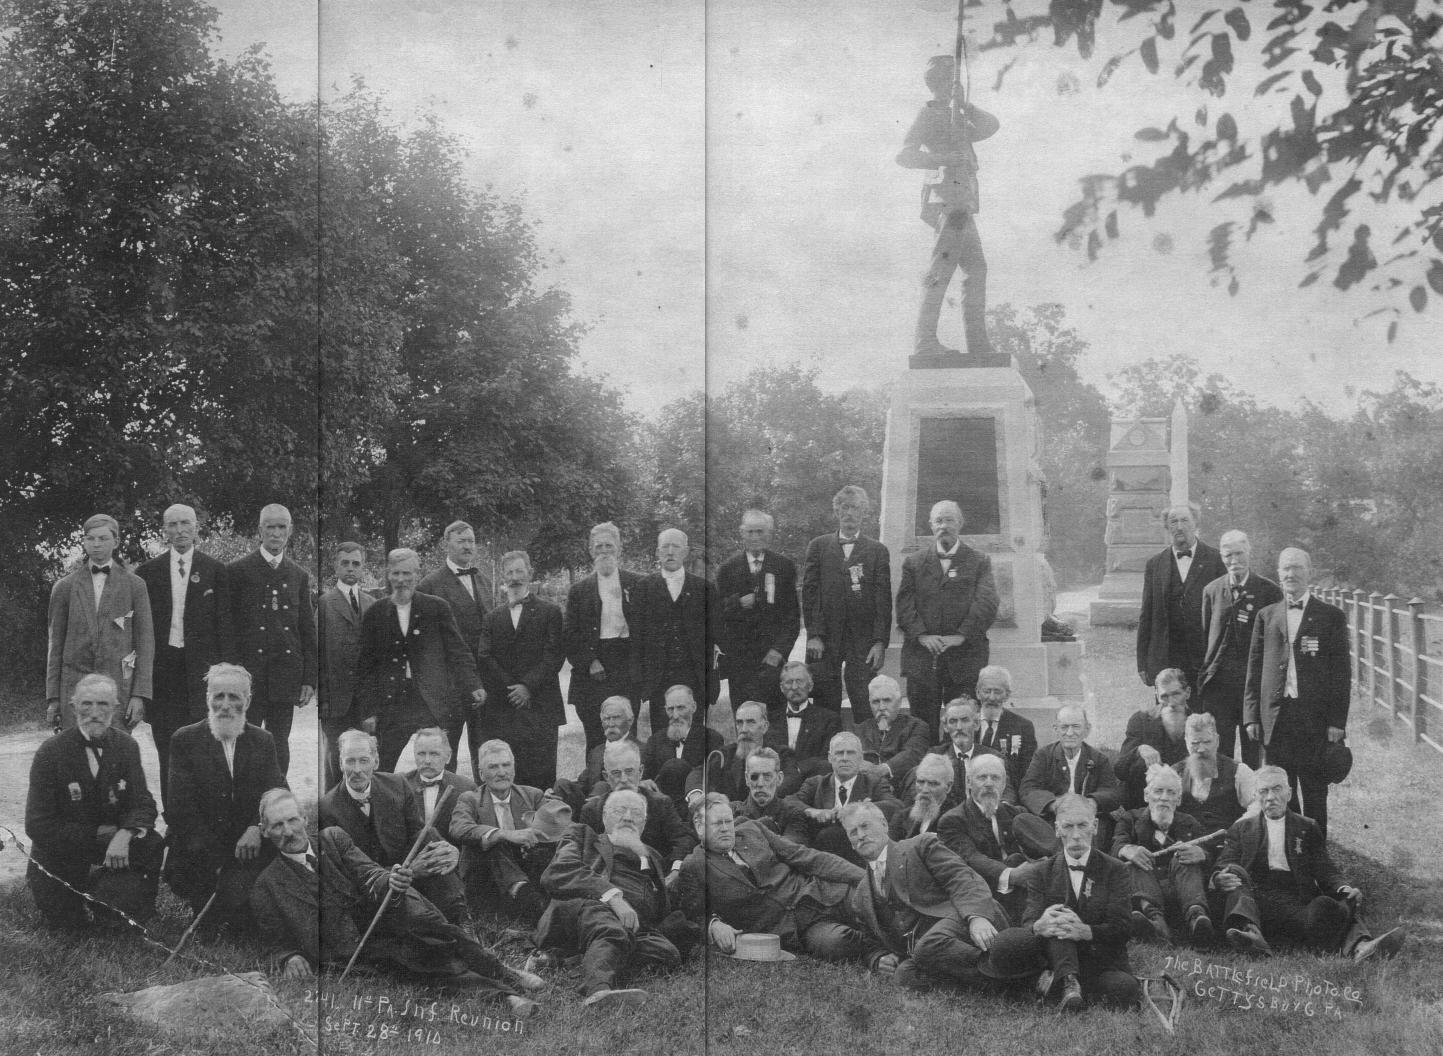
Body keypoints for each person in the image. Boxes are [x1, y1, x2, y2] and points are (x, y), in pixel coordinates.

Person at [249, 789, 540, 1015]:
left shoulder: (333, 839)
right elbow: (272, 942)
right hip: (353, 951)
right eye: (277, 826)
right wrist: (288, 956)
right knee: (418, 964)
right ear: (264, 831)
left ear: (304, 818)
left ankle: (504, 971)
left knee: (432, 927)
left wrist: (390, 881)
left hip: (382, 914)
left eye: (292, 820)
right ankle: (505, 996)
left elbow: (369, 872)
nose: (288, 832)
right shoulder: (266, 885)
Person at [1212, 767, 1403, 961]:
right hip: (1257, 900)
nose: (1270, 797)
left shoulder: (1307, 827)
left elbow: (1325, 870)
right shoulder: (1241, 828)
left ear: (1289, 793)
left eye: (1277, 789)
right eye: (1263, 791)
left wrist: (1344, 888)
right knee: (1234, 873)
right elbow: (1225, 862)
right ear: (1255, 796)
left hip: (1297, 898)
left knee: (1341, 899)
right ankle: (1252, 935)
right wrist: (1219, 877)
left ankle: (1362, 946)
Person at [536, 789, 697, 1008]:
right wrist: (613, 897)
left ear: (644, 822)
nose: (628, 817)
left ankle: (562, 962)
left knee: (667, 953)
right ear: (604, 816)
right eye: (620, 810)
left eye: (637, 813)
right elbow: (558, 871)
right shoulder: (582, 835)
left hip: (632, 927)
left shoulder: (653, 857)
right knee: (610, 927)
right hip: (586, 907)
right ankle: (597, 990)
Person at [25, 673, 162, 929]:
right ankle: (73, 899)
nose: (95, 712)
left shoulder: (126, 746)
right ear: (73, 706)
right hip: (63, 854)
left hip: (110, 847)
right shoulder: (51, 751)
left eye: (103, 704)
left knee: (151, 842)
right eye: (87, 704)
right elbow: (37, 825)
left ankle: (118, 905)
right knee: (67, 925)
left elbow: (144, 803)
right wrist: (97, 834)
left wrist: (125, 834)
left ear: (116, 708)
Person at [165, 663, 286, 935]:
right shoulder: (184, 739)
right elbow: (180, 808)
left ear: (249, 700)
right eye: (218, 696)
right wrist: (219, 858)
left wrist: (257, 827)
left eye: (234, 697)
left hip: (249, 847)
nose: (225, 704)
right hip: (199, 850)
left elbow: (277, 792)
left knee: (248, 922)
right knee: (217, 918)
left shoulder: (263, 740)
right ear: (207, 697)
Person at [991, 794, 1141, 1012]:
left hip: (1097, 958)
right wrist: (1040, 925)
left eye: (1083, 826)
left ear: (1095, 826)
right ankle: (1068, 983)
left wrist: (1085, 931)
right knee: (1049, 921)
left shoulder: (1116, 870)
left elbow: (1123, 928)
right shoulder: (1041, 872)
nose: (1076, 835)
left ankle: (1057, 985)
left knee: (1125, 988)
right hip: (1055, 954)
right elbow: (1029, 923)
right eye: (1068, 827)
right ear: (1057, 829)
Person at [896, 54, 1001, 360]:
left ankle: (978, 346)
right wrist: (943, 159)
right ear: (941, 83)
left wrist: (966, 105)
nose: (957, 84)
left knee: (976, 269)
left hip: (961, 200)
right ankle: (925, 343)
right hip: (946, 198)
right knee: (941, 269)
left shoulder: (958, 115)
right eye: (953, 79)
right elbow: (904, 155)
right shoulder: (929, 113)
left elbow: (991, 126)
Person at [842, 800, 1009, 993]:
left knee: (927, 946)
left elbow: (962, 878)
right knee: (904, 976)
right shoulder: (862, 895)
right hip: (929, 950)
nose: (861, 835)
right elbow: (869, 939)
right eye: (853, 832)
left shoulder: (920, 845)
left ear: (884, 824)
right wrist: (878, 957)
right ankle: (993, 983)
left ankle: (1012, 975)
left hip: (963, 920)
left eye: (865, 826)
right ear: (851, 844)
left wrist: (976, 917)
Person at [679, 793, 865, 961]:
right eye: (717, 824)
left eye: (728, 821)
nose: (726, 829)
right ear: (699, 826)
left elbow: (807, 857)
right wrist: (714, 925)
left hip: (821, 893)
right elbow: (693, 915)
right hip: (796, 928)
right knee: (839, 944)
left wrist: (865, 878)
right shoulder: (694, 866)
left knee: (871, 902)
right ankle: (877, 954)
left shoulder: (752, 829)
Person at [1245, 547, 1350, 838]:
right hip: (1276, 721)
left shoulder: (1331, 616)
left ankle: (1316, 854)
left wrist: (1337, 723)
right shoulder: (1266, 616)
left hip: (1314, 722)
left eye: (1297, 568)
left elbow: (1341, 675)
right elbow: (1254, 670)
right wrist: (1252, 715)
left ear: (1309, 572)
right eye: (1285, 569)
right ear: (1278, 574)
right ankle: (1288, 852)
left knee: (1315, 792)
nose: (1290, 574)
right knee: (1280, 790)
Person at [319, 730, 471, 930]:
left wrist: (446, 849)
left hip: (408, 870)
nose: (357, 769)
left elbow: (417, 835)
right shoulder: (327, 807)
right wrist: (408, 872)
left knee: (430, 835)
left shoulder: (397, 785)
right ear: (340, 763)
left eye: (364, 761)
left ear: (376, 761)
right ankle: (435, 923)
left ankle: (460, 916)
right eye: (350, 761)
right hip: (373, 891)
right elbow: (351, 876)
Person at [135, 503, 231, 804]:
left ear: (196, 527)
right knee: (168, 750)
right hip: (164, 676)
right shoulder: (147, 573)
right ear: (164, 531)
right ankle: (174, 821)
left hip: (203, 675)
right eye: (173, 525)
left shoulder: (216, 571)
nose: (180, 531)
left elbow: (225, 627)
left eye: (185, 524)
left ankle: (207, 821)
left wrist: (224, 676)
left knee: (207, 748)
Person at [358, 548, 484, 774]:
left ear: (417, 574)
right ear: (388, 574)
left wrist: (473, 685)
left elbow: (458, 651)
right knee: (381, 768)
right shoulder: (375, 613)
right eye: (396, 573)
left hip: (432, 701)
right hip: (393, 702)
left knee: (442, 766)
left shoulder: (436, 607)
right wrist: (369, 710)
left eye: (407, 574)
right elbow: (366, 667)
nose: (401, 580)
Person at [226, 504, 317, 777]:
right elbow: (229, 628)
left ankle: (276, 800)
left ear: (289, 531)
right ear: (260, 531)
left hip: (284, 676)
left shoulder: (298, 575)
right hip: (248, 677)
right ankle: (245, 806)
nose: (276, 533)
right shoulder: (238, 571)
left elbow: (306, 630)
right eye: (270, 527)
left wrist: (308, 679)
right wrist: (232, 674)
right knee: (244, 742)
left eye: (281, 528)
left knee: (279, 744)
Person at [895, 500, 998, 734]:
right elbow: (904, 604)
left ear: (960, 523)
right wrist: (922, 636)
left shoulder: (979, 561)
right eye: (939, 521)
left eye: (950, 520)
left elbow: (987, 602)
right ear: (931, 525)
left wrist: (961, 636)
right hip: (922, 658)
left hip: (964, 658)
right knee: (922, 726)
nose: (944, 526)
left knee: (963, 724)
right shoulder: (914, 563)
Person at [46, 513, 153, 731]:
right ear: (83, 541)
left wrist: (139, 695)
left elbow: (145, 644)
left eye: (103, 539)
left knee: (116, 757)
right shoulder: (65, 587)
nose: (96, 544)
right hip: (74, 692)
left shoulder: (135, 586)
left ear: (116, 542)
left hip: (117, 690)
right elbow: (54, 646)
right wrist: (53, 698)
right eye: (90, 538)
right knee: (75, 756)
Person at [477, 550, 566, 790]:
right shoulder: (492, 617)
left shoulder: (550, 612)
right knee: (506, 775)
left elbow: (554, 655)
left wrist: (527, 686)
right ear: (503, 577)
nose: (515, 577)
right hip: (505, 708)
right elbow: (485, 656)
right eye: (510, 572)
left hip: (541, 706)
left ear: (529, 573)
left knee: (542, 774)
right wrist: (512, 690)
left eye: (519, 571)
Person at [802, 485, 892, 720]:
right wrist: (814, 634)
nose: (850, 513)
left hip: (862, 640)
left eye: (856, 508)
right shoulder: (818, 546)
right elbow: (810, 594)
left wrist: (879, 642)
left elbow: (883, 600)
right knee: (824, 701)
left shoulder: (877, 551)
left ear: (864, 513)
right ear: (837, 511)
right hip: (826, 638)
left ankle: (869, 751)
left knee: (864, 699)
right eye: (845, 507)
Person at [416, 520, 494, 774]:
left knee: (484, 749)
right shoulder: (430, 584)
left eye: (471, 541)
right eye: (461, 541)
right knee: (444, 752)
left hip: (482, 682)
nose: (467, 546)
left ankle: (484, 804)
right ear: (446, 545)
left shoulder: (483, 579)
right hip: (449, 686)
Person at [1198, 530, 1282, 765]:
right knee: (1220, 755)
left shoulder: (1269, 591)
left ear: (1249, 553)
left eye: (1239, 553)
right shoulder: (1211, 591)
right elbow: (1207, 641)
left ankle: (1251, 800)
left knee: (1252, 754)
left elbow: (1275, 644)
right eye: (1228, 555)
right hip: (1219, 689)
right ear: (1221, 557)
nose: (1234, 560)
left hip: (1252, 689)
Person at [937, 753, 1051, 924]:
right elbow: (971, 858)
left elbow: (1046, 844)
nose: (989, 783)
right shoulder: (953, 820)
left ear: (1004, 784)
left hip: (1026, 891)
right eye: (982, 777)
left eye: (995, 778)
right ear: (969, 782)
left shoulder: (1017, 813)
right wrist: (1011, 875)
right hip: (984, 896)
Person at [450, 739, 552, 924]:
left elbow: (552, 830)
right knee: (493, 843)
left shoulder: (533, 796)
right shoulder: (470, 799)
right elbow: (458, 828)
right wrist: (503, 833)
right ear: (481, 774)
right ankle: (528, 898)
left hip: (527, 871)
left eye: (506, 765)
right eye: (493, 767)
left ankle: (533, 899)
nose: (502, 772)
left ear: (514, 769)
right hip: (487, 881)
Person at [1111, 766, 1216, 946]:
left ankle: (1197, 921)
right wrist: (1127, 849)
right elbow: (1115, 846)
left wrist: (1202, 854)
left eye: (1171, 792)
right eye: (1158, 791)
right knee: (1136, 860)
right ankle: (1156, 923)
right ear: (1146, 795)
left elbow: (1211, 856)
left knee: (1185, 855)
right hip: (1146, 889)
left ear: (1179, 798)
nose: (1164, 797)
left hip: (1182, 891)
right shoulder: (1130, 819)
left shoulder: (1190, 823)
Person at [563, 522, 642, 756]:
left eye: (609, 546)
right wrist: (590, 661)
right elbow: (569, 634)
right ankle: (595, 787)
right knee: (597, 738)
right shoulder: (579, 591)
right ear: (590, 551)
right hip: (593, 671)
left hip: (626, 665)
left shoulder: (637, 583)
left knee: (627, 734)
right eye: (599, 547)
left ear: (619, 549)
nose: (604, 551)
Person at [632, 528, 718, 734]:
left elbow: (716, 635)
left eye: (676, 547)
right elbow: (637, 637)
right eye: (665, 547)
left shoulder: (704, 588)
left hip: (694, 677)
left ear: (686, 552)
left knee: (695, 736)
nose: (670, 552)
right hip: (659, 679)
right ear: (657, 552)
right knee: (662, 736)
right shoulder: (643, 588)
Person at [716, 510, 799, 716]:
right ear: (742, 534)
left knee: (775, 716)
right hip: (740, 660)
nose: (755, 537)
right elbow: (717, 613)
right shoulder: (727, 568)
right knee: (744, 715)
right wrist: (738, 603)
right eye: (750, 532)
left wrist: (779, 651)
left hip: (772, 658)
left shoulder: (784, 566)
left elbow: (792, 617)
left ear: (769, 534)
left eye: (760, 531)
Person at [1136, 502, 1225, 690]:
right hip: (1165, 658)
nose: (1179, 526)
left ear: (1196, 524)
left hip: (1204, 658)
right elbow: (1146, 615)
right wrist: (1142, 662)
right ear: (1167, 527)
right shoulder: (1155, 564)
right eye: (1173, 521)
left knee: (1201, 716)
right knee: (1168, 715)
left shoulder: (1216, 560)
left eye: (1185, 520)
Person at [578, 740, 696, 870]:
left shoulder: (660, 804)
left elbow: (684, 839)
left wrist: (675, 869)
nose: (623, 779)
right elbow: (585, 853)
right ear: (606, 777)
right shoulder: (593, 810)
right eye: (616, 773)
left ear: (640, 772)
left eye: (629, 771)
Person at [785, 732, 898, 862]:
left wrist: (859, 809)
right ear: (829, 757)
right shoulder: (816, 783)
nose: (845, 758)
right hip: (823, 856)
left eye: (851, 753)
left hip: (862, 857)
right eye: (839, 753)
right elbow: (789, 801)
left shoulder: (874, 782)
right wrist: (813, 812)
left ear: (861, 758)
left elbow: (895, 805)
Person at [1019, 705, 1120, 848]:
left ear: (1087, 729)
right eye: (1064, 727)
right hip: (1054, 820)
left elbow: (1112, 792)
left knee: (1102, 827)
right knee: (1021, 820)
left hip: (1085, 820)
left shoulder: (1098, 759)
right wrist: (1054, 804)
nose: (1070, 733)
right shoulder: (1043, 756)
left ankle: (1070, 854)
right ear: (1056, 729)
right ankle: (1062, 853)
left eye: (1076, 727)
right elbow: (1028, 789)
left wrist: (1091, 803)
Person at [317, 542, 373, 791]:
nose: (351, 569)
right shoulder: (325, 604)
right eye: (345, 563)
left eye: (356, 564)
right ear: (335, 567)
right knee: (336, 758)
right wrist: (323, 697)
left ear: (363, 568)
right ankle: (331, 811)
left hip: (365, 699)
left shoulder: (373, 603)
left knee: (365, 756)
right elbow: (317, 653)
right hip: (335, 699)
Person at [910, 696, 1015, 806]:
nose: (959, 727)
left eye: (964, 720)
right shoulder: (936, 756)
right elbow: (919, 789)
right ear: (945, 727)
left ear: (976, 724)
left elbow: (1007, 791)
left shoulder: (993, 757)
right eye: (953, 721)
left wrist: (1002, 807)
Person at [1114, 669, 1192, 809]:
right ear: (1156, 695)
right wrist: (1139, 750)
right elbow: (1120, 770)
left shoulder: (1200, 722)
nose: (1171, 703)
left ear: (1187, 692)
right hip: (1146, 805)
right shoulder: (1141, 720)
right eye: (1164, 697)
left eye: (1176, 694)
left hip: (1187, 803)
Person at [764, 661, 842, 794]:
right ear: (782, 688)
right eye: (789, 682)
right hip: (775, 786)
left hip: (813, 787)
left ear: (810, 686)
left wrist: (799, 768)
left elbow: (828, 758)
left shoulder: (829, 719)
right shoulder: (769, 719)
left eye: (800, 681)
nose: (794, 687)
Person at [1174, 711, 1258, 834]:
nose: (1201, 749)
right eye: (1195, 743)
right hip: (1187, 846)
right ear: (1186, 742)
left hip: (1228, 845)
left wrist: (1238, 829)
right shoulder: (1174, 774)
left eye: (1207, 742)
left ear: (1217, 740)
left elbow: (1257, 805)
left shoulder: (1239, 771)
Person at [640, 684, 722, 809]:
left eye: (680, 708)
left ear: (694, 707)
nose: (675, 715)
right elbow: (643, 774)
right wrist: (643, 782)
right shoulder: (655, 740)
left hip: (695, 806)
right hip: (662, 807)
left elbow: (714, 779)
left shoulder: (711, 738)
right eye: (670, 709)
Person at [399, 727, 477, 858]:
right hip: (412, 862)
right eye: (421, 754)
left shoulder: (466, 787)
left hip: (452, 862)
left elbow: (471, 836)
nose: (427, 760)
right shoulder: (399, 786)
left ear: (448, 756)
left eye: (434, 754)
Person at [684, 699, 770, 805]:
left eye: (750, 722)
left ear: (765, 727)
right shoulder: (726, 753)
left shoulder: (781, 754)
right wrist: (696, 794)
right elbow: (699, 772)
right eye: (739, 723)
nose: (743, 729)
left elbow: (790, 780)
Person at [854, 675, 931, 785]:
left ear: (899, 702)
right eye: (876, 702)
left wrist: (881, 770)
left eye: (887, 700)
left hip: (901, 789)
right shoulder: (859, 730)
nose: (881, 707)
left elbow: (911, 755)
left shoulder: (916, 726)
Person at [973, 665, 1038, 791]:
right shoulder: (964, 722)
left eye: (997, 692)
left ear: (1007, 695)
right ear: (977, 692)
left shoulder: (1023, 727)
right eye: (987, 691)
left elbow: (1027, 772)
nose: (991, 698)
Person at [730, 748, 808, 838]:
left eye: (767, 776)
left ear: (779, 778)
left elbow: (791, 850)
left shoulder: (793, 815)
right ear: (747, 779)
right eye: (754, 777)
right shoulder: (731, 812)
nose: (760, 783)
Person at [890, 754, 955, 839]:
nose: (925, 790)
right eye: (920, 782)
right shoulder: (901, 817)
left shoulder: (956, 820)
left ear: (948, 787)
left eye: (932, 784)